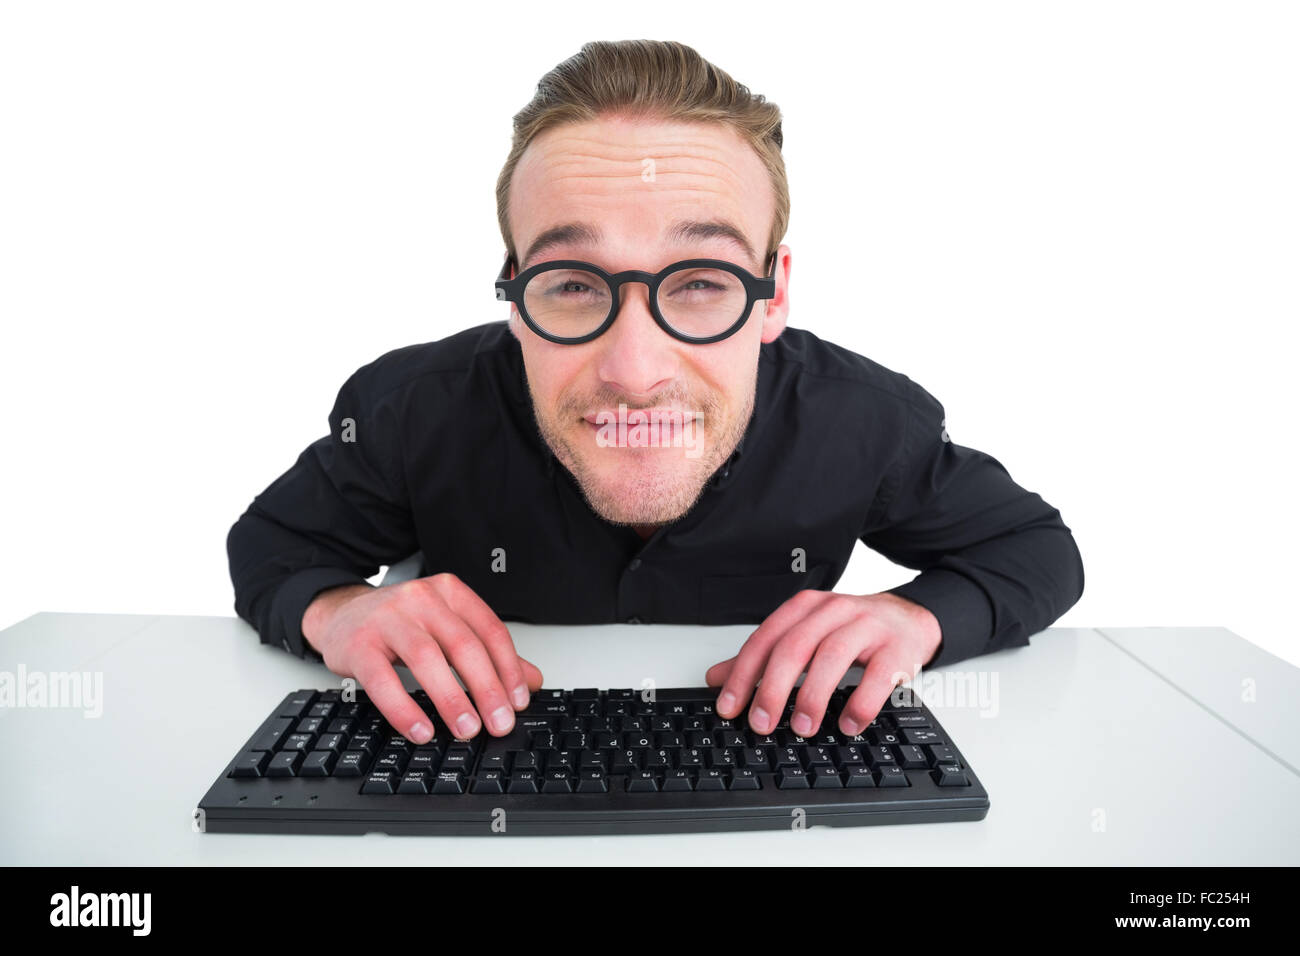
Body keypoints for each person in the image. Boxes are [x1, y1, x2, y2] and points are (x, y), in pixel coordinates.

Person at [227, 39, 1084, 747]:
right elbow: (272, 545)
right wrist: (335, 611)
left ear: (772, 294)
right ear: (514, 290)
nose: (635, 371)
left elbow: (1037, 549)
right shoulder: (411, 410)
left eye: (703, 281)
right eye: (570, 283)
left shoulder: (862, 421)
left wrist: (919, 620)